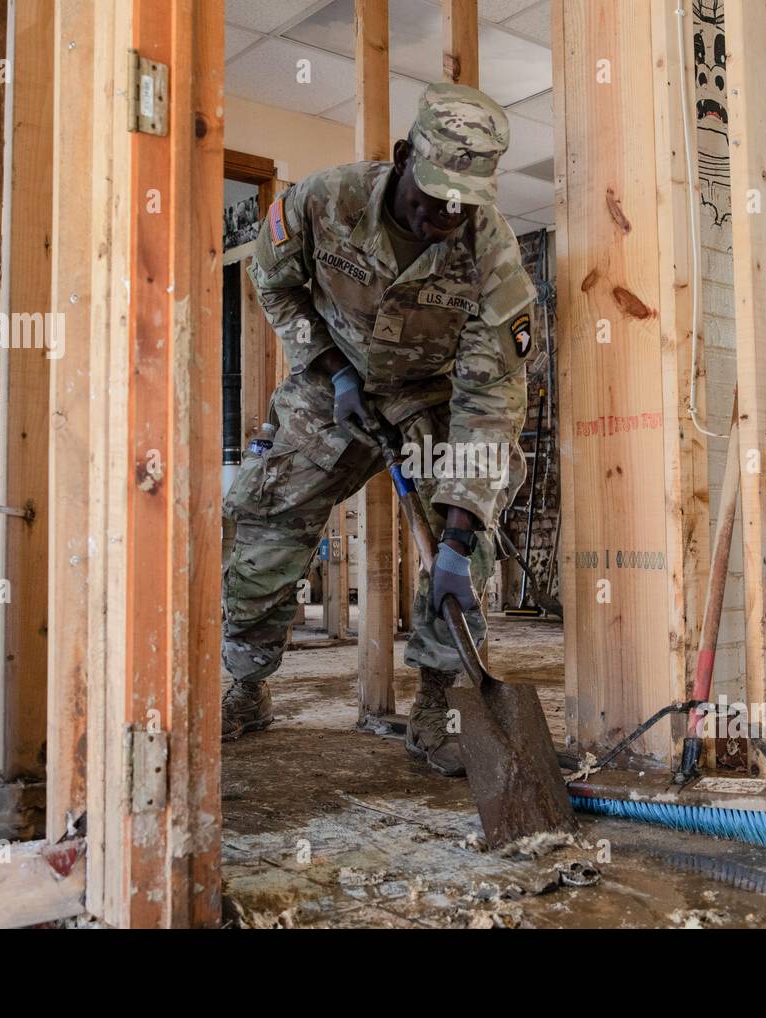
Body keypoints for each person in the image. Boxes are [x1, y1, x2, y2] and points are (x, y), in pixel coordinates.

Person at [222, 82, 537, 777]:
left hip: (434, 396)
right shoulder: (324, 200)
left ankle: (441, 701)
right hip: (329, 381)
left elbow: (490, 400)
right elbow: (275, 284)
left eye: (462, 208)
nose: (442, 221)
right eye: (430, 203)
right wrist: (332, 370)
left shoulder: (493, 257)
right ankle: (241, 683)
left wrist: (457, 538)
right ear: (401, 160)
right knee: (266, 517)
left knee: (469, 540)